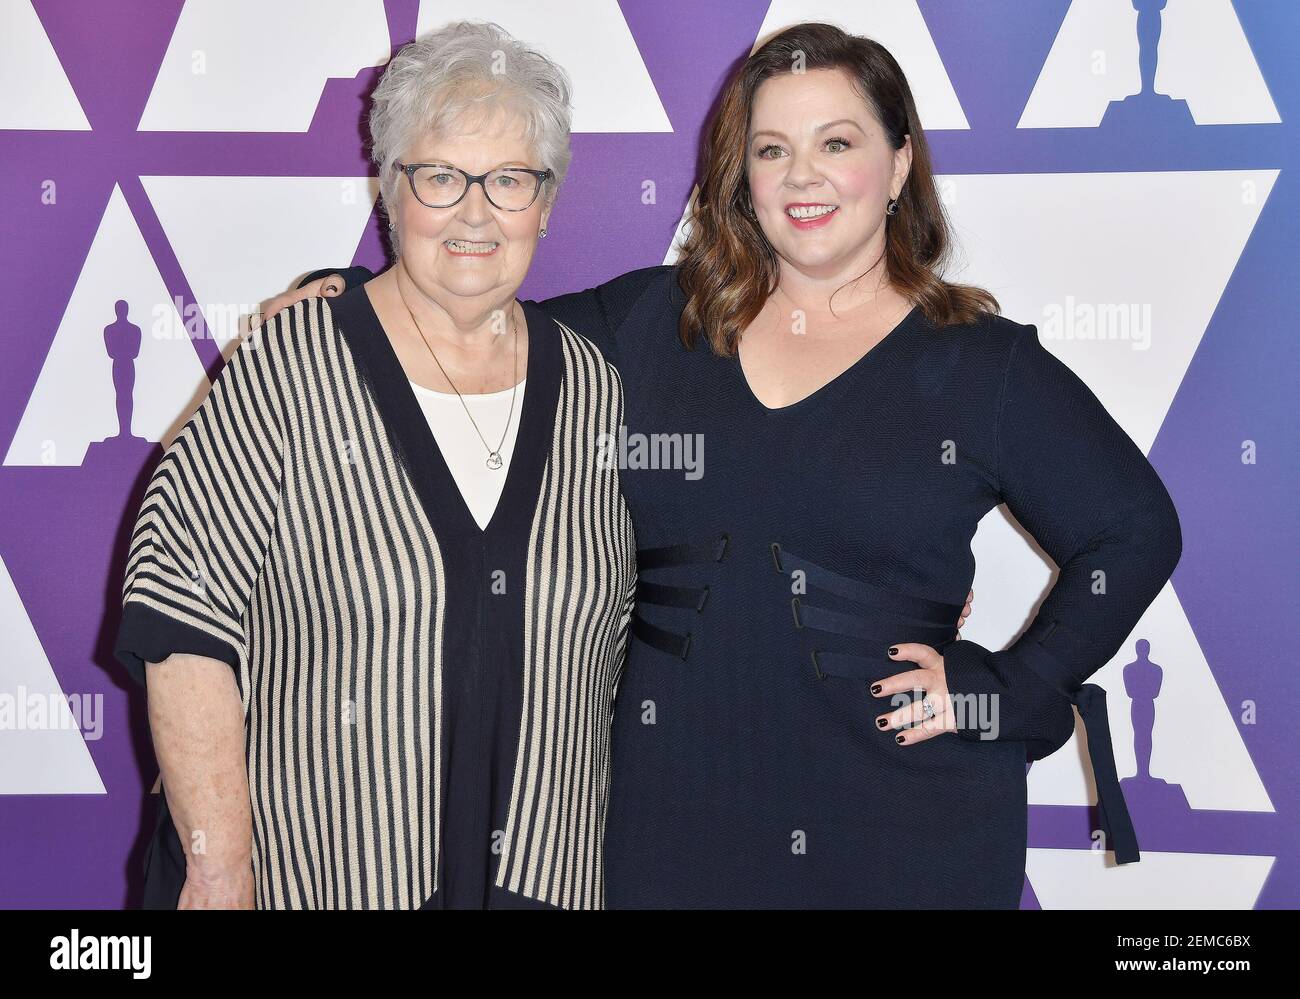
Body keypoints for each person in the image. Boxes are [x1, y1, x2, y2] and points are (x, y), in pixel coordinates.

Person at [284, 21, 1182, 908]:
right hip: (668, 823)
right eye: (772, 148)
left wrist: (1012, 685)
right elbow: (477, 328)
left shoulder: (983, 364)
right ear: (741, 175)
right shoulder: (654, 321)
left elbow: (1136, 530)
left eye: (838, 142)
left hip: (902, 832)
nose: (803, 176)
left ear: (901, 163)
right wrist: (350, 295)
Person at [115, 21, 636, 909]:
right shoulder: (290, 364)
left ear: (547, 203)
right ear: (390, 191)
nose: (476, 212)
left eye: (509, 180)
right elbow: (181, 620)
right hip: (318, 884)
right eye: (440, 177)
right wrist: (219, 867)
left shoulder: (595, 389)